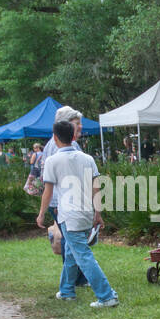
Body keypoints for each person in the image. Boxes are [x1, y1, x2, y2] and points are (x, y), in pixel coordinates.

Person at [38, 120, 117, 307]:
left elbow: (47, 191)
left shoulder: (52, 161)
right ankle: (66, 290)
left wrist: (41, 214)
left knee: (82, 255)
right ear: (73, 136)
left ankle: (106, 296)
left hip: (69, 215)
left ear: (55, 138)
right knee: (71, 252)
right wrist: (98, 213)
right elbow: (96, 187)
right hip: (86, 213)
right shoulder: (87, 158)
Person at [42, 107, 90, 289]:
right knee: (72, 243)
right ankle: (74, 281)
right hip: (63, 202)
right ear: (66, 124)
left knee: (72, 243)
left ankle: (75, 281)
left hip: (67, 200)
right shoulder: (59, 146)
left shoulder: (62, 144)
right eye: (77, 124)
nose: (81, 128)